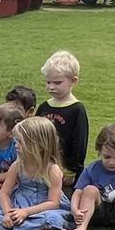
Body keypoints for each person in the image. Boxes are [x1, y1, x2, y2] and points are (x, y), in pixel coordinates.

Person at [0, 117, 74, 230]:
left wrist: (26, 212)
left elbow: (54, 203)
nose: (16, 145)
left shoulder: (52, 169)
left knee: (53, 219)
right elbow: (4, 193)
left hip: (43, 207)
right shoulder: (17, 165)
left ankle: (23, 228)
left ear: (40, 146)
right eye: (16, 141)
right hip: (18, 201)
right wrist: (8, 213)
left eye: (21, 142)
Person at [36, 50, 90, 179]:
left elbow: (80, 143)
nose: (51, 87)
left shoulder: (77, 110)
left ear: (73, 81)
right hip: (41, 167)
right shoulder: (44, 107)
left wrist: (71, 169)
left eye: (57, 82)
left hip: (66, 172)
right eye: (48, 82)